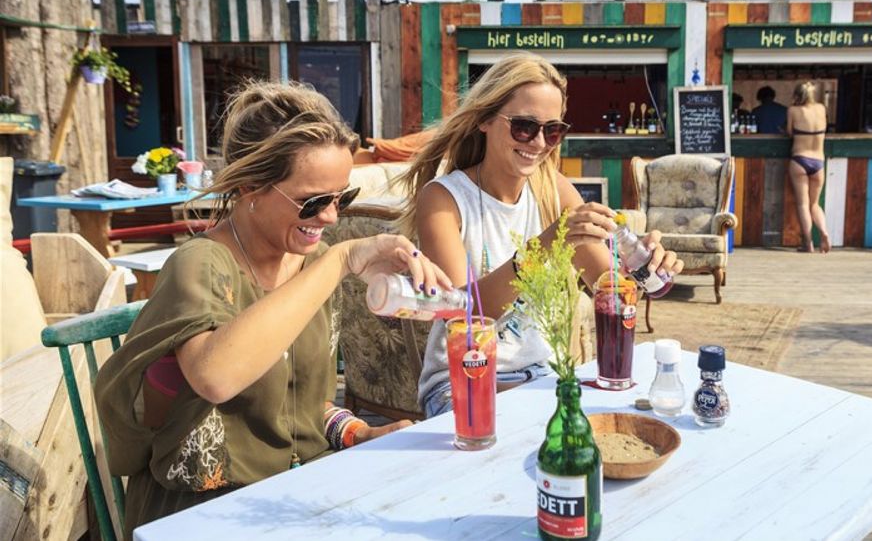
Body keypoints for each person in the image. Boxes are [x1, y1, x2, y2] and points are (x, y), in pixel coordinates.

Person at [94, 80, 452, 535]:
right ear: (250, 186)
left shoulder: (311, 262)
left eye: (341, 198)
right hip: (204, 508)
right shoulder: (201, 264)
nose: (331, 217)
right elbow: (216, 377)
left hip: (294, 493)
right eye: (312, 201)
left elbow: (301, 403)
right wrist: (341, 261)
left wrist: (358, 432)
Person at [399, 52, 683, 417]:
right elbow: (462, 316)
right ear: (485, 119)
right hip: (464, 379)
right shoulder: (444, 199)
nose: (538, 143)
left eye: (552, 130)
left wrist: (640, 267)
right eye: (524, 127)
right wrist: (544, 247)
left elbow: (607, 288)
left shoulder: (553, 189)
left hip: (543, 379)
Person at [787, 81, 832, 253]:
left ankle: (808, 243)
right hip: (818, 161)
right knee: (815, 204)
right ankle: (824, 232)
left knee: (803, 204)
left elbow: (790, 132)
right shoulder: (821, 108)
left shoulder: (793, 110)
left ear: (797, 95)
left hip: (800, 159)